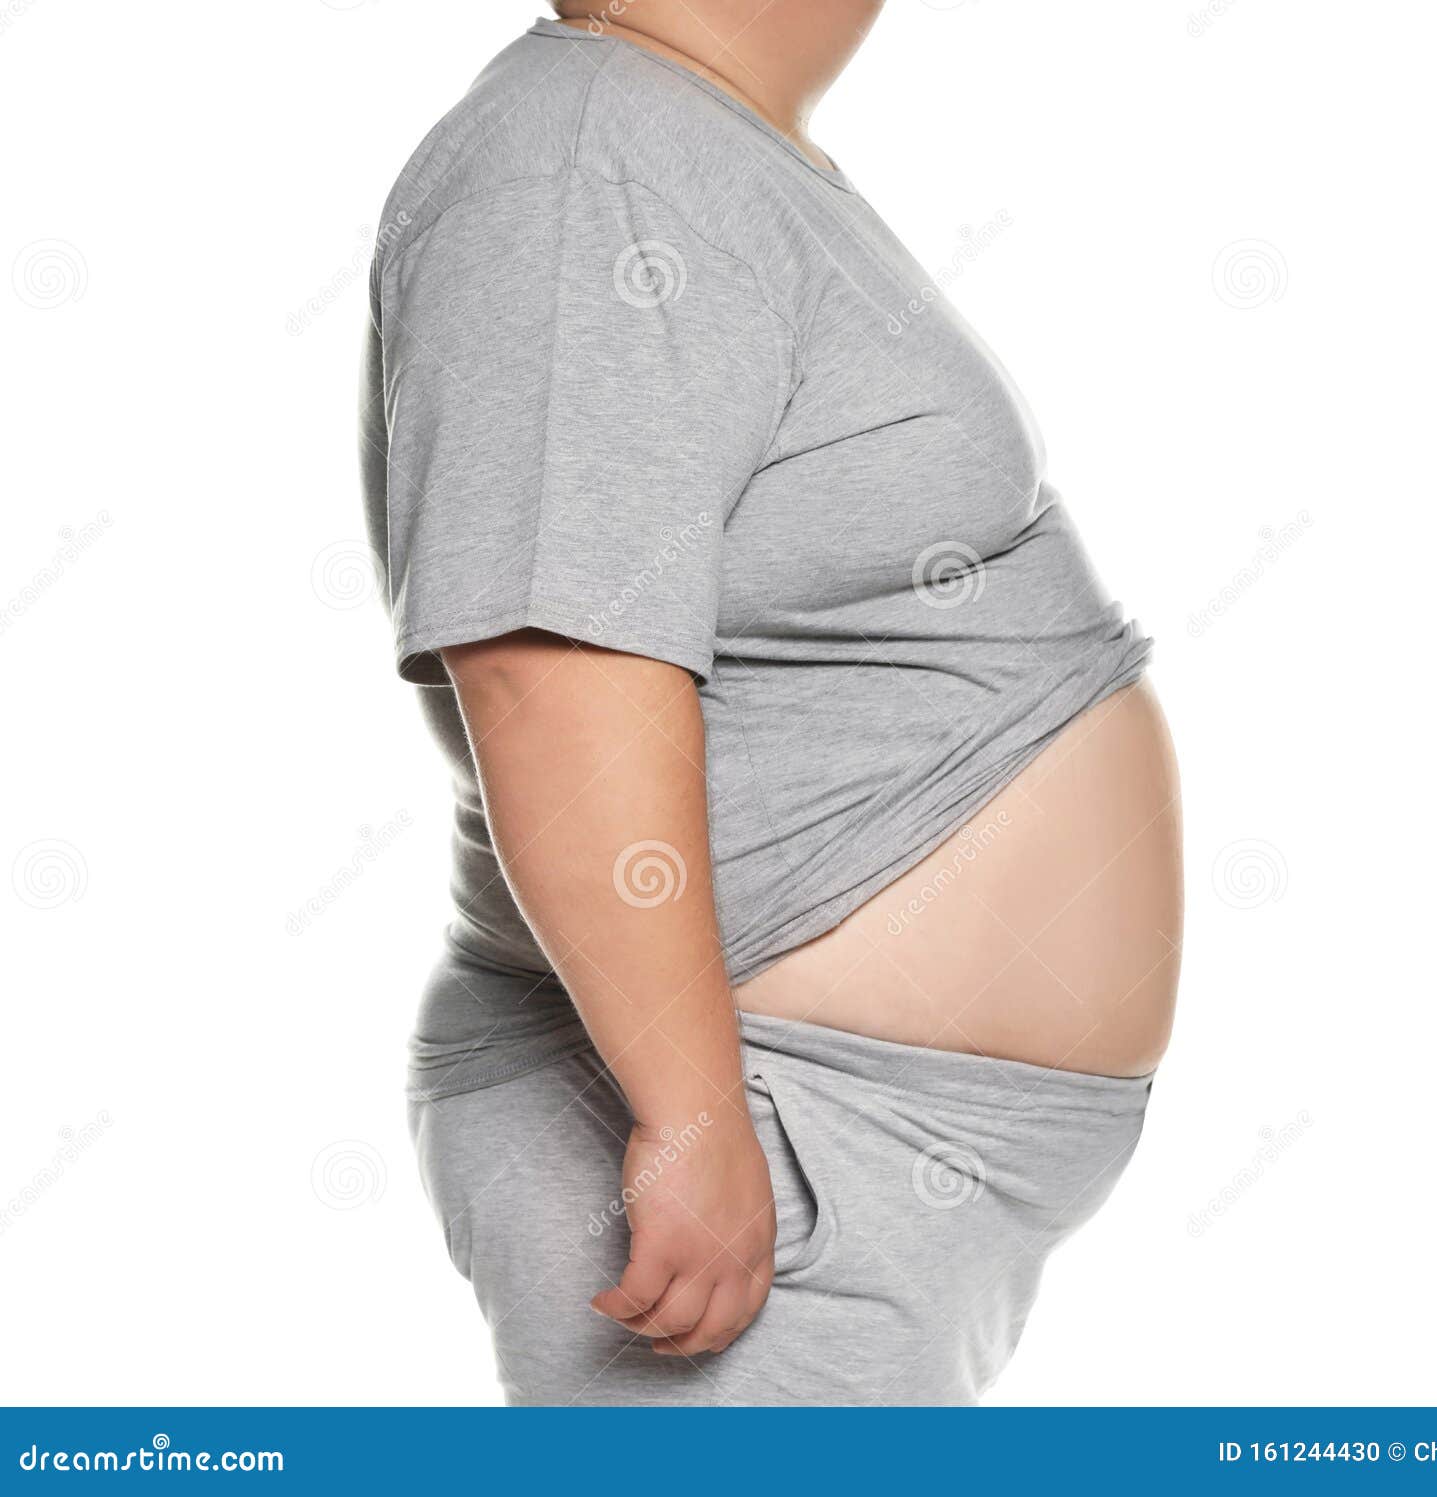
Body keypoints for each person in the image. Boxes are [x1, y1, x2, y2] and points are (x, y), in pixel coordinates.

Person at [358, 0, 1182, 1405]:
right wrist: (691, 1115)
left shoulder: (684, 140)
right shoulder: (585, 160)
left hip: (838, 1145)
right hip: (768, 1133)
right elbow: (552, 674)